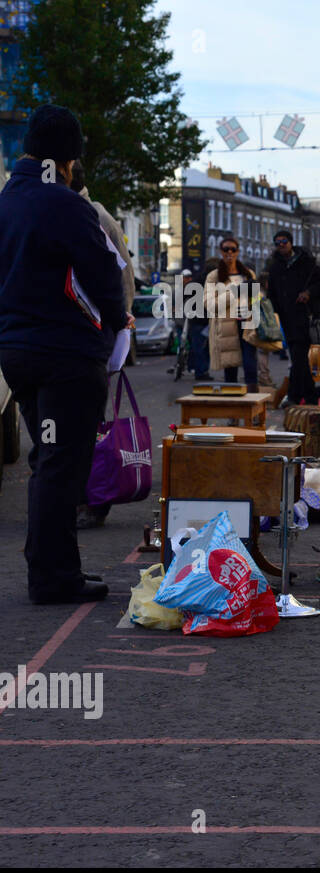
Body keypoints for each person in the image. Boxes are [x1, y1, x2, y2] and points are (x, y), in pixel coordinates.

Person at [0, 105, 127, 604]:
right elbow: (104, 276)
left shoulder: (6, 202)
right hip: (66, 354)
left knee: (47, 461)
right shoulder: (66, 204)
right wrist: (118, 322)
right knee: (63, 466)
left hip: (17, 353)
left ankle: (47, 568)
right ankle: (54, 578)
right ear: (70, 159)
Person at [68, 159, 137, 530]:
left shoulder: (94, 215)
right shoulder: (77, 211)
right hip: (88, 336)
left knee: (90, 424)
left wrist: (121, 327)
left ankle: (93, 498)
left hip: (95, 336)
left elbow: (122, 273)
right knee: (81, 422)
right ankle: (85, 496)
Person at [265, 230, 320, 406]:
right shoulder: (275, 267)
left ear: (291, 243)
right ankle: (310, 396)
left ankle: (294, 396)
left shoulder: (306, 263)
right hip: (287, 319)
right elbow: (272, 292)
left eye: (284, 241)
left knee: (298, 356)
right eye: (277, 242)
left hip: (305, 318)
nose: (281, 245)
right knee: (299, 359)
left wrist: (309, 293)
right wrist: (276, 310)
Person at [204, 238, 258, 389]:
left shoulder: (248, 274)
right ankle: (232, 401)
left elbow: (256, 301)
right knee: (230, 365)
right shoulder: (214, 276)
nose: (229, 252)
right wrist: (236, 292)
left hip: (247, 322)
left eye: (233, 249)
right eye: (226, 249)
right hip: (227, 325)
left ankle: (253, 399)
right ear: (221, 252)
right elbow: (209, 304)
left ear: (238, 252)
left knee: (250, 363)